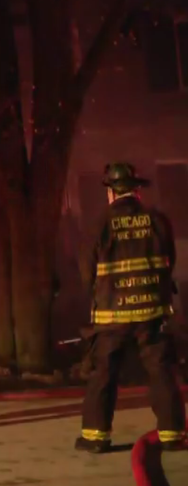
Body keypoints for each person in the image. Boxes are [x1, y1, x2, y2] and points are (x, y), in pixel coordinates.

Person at [77, 163, 186, 453]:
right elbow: (169, 260)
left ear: (110, 193)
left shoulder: (99, 223)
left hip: (112, 314)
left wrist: (96, 294)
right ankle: (173, 434)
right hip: (152, 312)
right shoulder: (158, 220)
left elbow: (87, 271)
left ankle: (96, 437)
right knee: (162, 371)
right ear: (137, 189)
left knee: (104, 374)